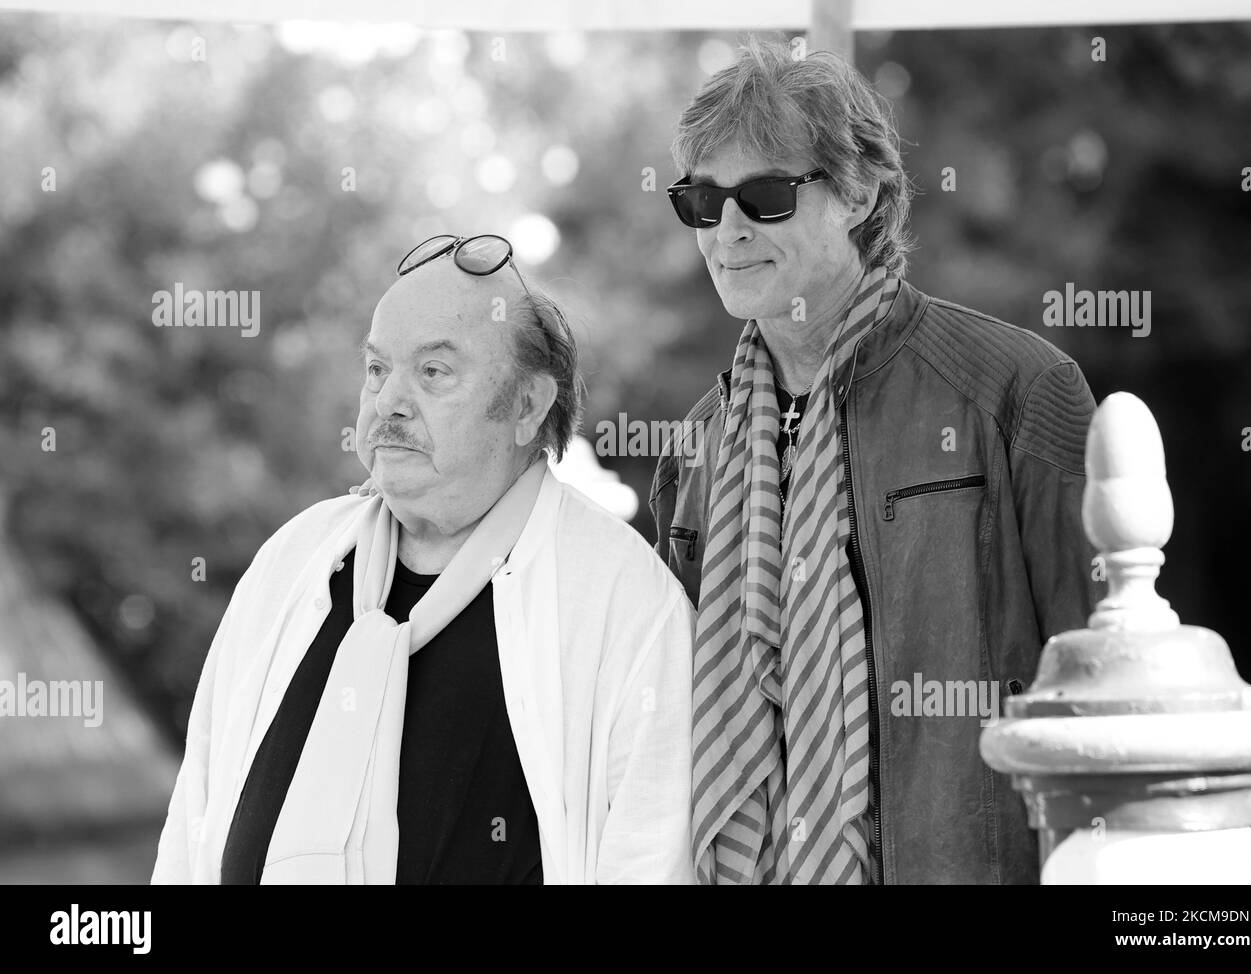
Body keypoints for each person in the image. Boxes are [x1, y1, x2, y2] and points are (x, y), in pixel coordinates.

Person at [650, 39, 1104, 884]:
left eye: (765, 196)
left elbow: (1105, 694)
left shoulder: (1017, 390)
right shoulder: (698, 448)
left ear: (858, 193)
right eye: (702, 202)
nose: (729, 231)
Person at [153, 234, 695, 884]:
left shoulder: (626, 603)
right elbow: (193, 822)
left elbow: (650, 859)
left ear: (528, 405)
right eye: (377, 369)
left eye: (433, 372)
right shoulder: (294, 558)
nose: (388, 401)